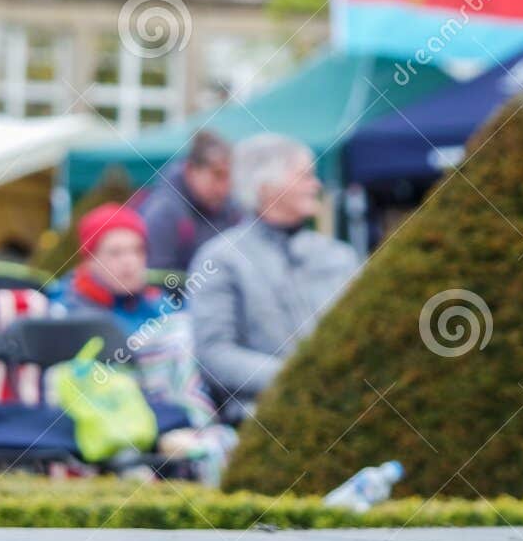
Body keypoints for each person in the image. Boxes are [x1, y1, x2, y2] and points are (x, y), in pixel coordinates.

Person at [51, 202, 237, 483]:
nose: (129, 261)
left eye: (137, 250)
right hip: (114, 417)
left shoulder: (160, 304)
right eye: (115, 253)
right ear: (89, 259)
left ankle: (199, 436)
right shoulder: (66, 307)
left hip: (170, 409)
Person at [191, 133, 361, 413]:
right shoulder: (222, 259)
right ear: (268, 186)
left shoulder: (338, 255)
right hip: (264, 419)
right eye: (305, 176)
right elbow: (215, 354)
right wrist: (296, 378)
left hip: (344, 407)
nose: (315, 185)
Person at [138, 129, 240, 273]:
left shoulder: (232, 210)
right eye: (218, 175)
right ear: (190, 170)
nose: (224, 187)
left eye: (230, 177)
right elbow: (155, 277)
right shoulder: (163, 212)